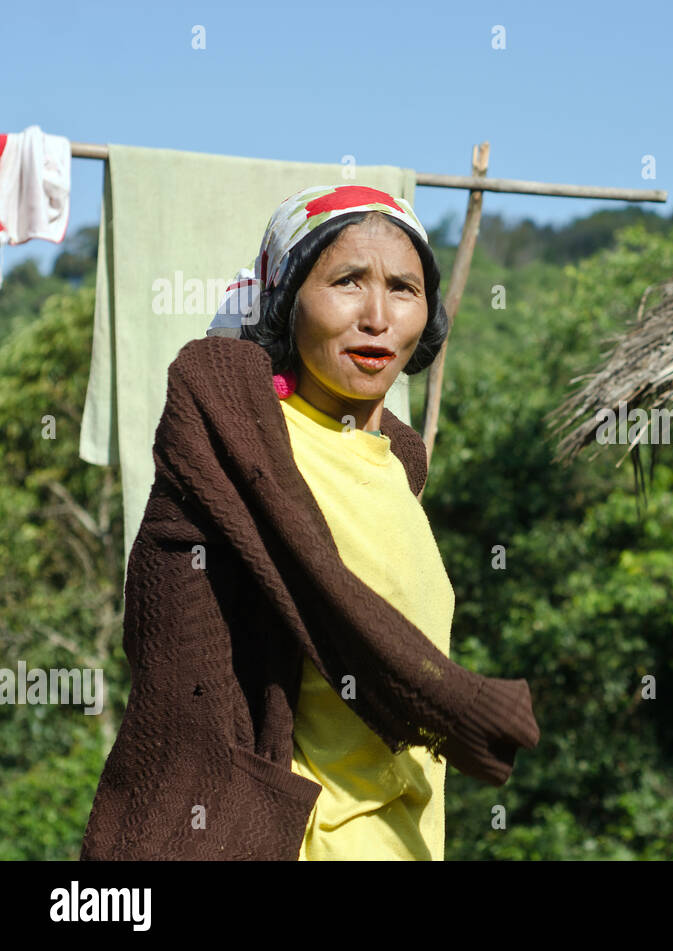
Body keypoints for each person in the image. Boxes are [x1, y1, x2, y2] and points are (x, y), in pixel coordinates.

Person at [81, 185, 539, 861]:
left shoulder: (396, 466)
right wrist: (458, 706)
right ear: (287, 298)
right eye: (347, 281)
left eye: (404, 288)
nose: (377, 315)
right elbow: (327, 606)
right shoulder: (235, 445)